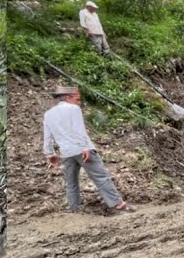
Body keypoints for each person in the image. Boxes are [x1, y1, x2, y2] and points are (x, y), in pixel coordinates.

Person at [42, 86, 133, 214]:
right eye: (77, 99)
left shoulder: (48, 114)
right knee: (101, 176)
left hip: (66, 152)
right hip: (82, 150)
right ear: (68, 97)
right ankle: (118, 204)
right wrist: (84, 146)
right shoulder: (73, 109)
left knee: (71, 181)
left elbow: (47, 136)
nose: (79, 102)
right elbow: (79, 130)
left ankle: (74, 208)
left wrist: (49, 153)